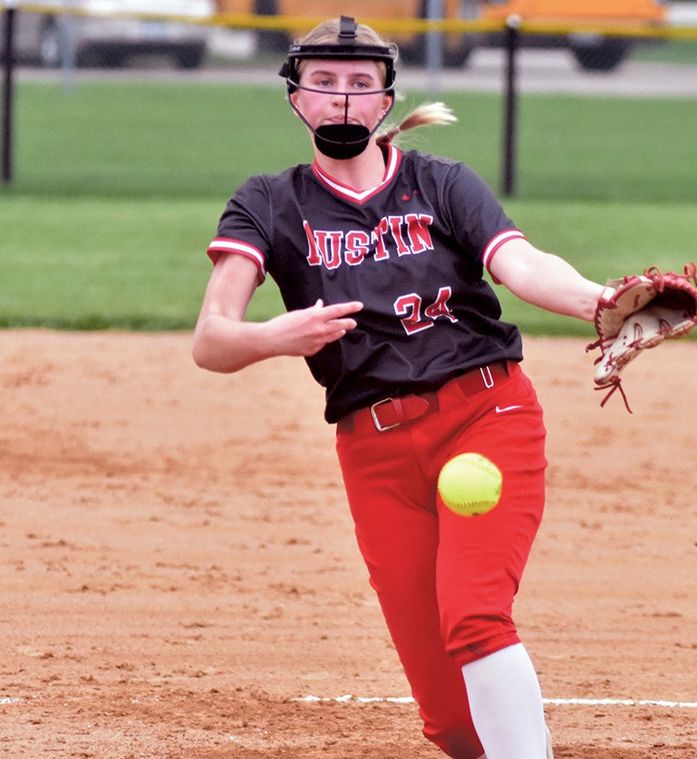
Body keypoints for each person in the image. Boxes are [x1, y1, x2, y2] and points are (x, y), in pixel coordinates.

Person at [192, 16, 610, 759]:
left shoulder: (440, 183)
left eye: (360, 84)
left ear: (386, 100)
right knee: (453, 725)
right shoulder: (269, 203)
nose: (342, 99)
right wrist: (276, 337)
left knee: (475, 616)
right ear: (296, 98)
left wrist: (601, 301)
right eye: (324, 82)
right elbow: (212, 339)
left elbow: (521, 264)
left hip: (485, 416)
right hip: (377, 457)